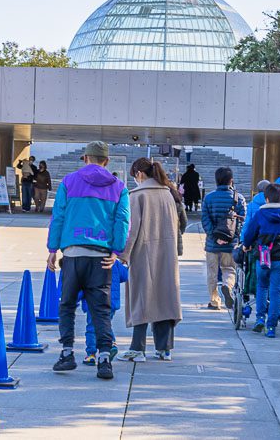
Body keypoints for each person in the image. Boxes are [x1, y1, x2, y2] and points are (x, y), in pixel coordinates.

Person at [47, 141, 130, 380]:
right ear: (106, 161)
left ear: (85, 158)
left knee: (67, 305)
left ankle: (66, 353)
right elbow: (122, 221)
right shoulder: (118, 187)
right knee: (100, 309)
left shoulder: (69, 182)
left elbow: (58, 216)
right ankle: (104, 357)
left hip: (73, 254)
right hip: (101, 257)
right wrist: (116, 251)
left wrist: (53, 248)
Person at [119, 158, 183, 362]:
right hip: (167, 252)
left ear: (139, 174)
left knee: (141, 298)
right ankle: (164, 349)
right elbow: (181, 223)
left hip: (143, 253)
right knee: (165, 298)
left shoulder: (138, 196)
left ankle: (137, 348)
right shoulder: (169, 193)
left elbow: (132, 230)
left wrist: (123, 255)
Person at [241, 183, 280, 337]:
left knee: (262, 287)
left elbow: (249, 235)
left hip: (263, 257)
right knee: (276, 291)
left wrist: (246, 246)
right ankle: (272, 327)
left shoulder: (260, 215)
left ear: (266, 198)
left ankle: (260, 318)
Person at [201, 167, 244, 310]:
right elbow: (242, 222)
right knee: (229, 269)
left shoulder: (208, 198)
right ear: (231, 180)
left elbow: (205, 221)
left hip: (212, 243)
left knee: (212, 272)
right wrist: (232, 238)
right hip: (231, 244)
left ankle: (214, 302)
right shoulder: (239, 198)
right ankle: (227, 286)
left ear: (216, 180)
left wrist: (214, 236)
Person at [79, 259, 127, 365]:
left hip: (93, 303)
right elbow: (124, 276)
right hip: (110, 302)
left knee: (92, 328)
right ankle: (112, 344)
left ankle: (91, 355)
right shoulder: (114, 261)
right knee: (106, 325)